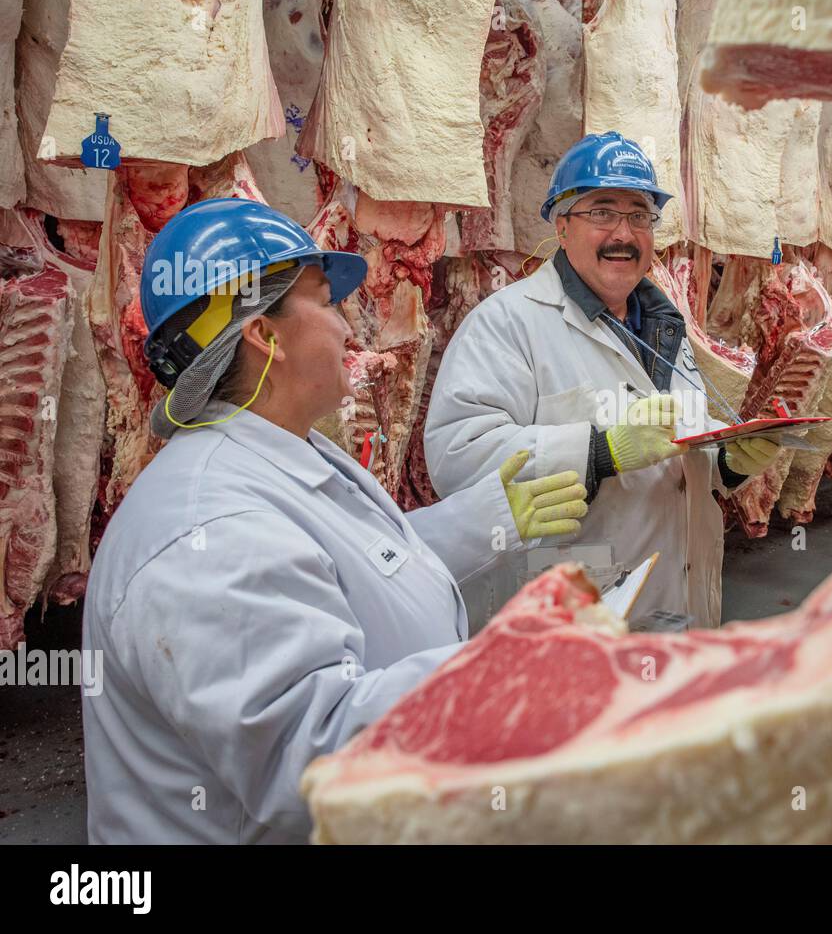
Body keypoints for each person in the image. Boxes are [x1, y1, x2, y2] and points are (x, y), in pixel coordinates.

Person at [81, 198, 588, 843]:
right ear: (264, 335)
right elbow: (311, 758)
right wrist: (513, 669)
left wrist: (487, 518)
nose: (351, 329)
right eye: (326, 303)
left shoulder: (283, 450)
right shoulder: (208, 529)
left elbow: (351, 565)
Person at [423, 133, 782, 629]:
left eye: (639, 215)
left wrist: (727, 460)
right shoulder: (507, 323)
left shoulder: (662, 324)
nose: (624, 233)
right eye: (602, 212)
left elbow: (673, 444)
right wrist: (599, 451)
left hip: (685, 598)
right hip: (574, 610)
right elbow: (456, 457)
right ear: (562, 225)